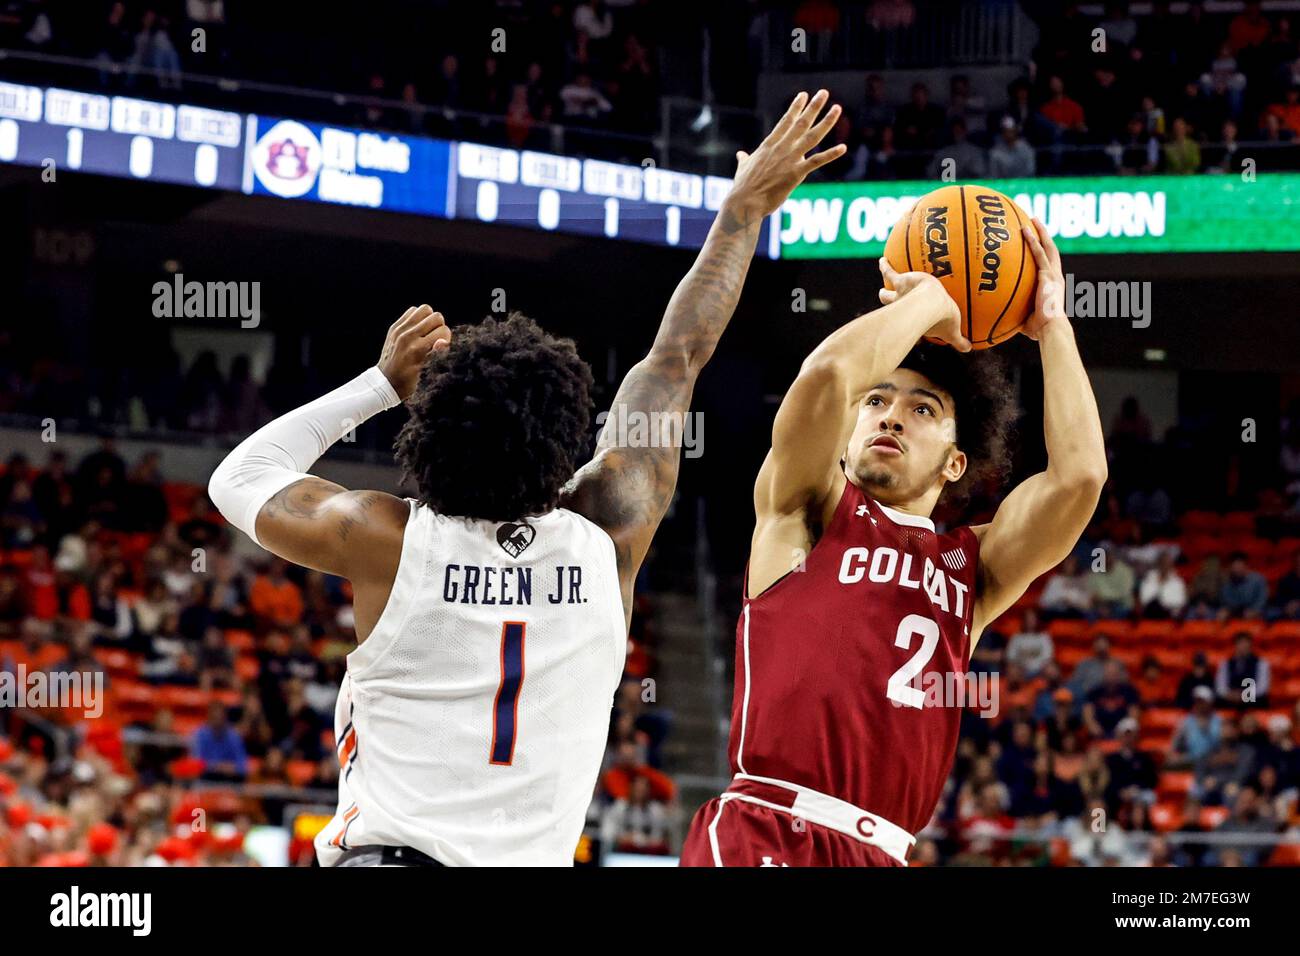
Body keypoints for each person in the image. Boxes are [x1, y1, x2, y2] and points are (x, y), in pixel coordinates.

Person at [208, 92, 846, 868]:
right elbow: (676, 357)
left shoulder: (383, 537)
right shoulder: (612, 530)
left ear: (428, 435)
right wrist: (743, 212)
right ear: (565, 438)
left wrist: (379, 383)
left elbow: (241, 474)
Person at [680, 197, 1106, 866]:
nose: (891, 415)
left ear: (956, 461)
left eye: (922, 407)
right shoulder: (806, 509)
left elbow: (1079, 478)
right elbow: (826, 375)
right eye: (876, 400)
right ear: (846, 440)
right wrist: (928, 303)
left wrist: (1052, 324)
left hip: (888, 851)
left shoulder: (975, 569)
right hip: (771, 825)